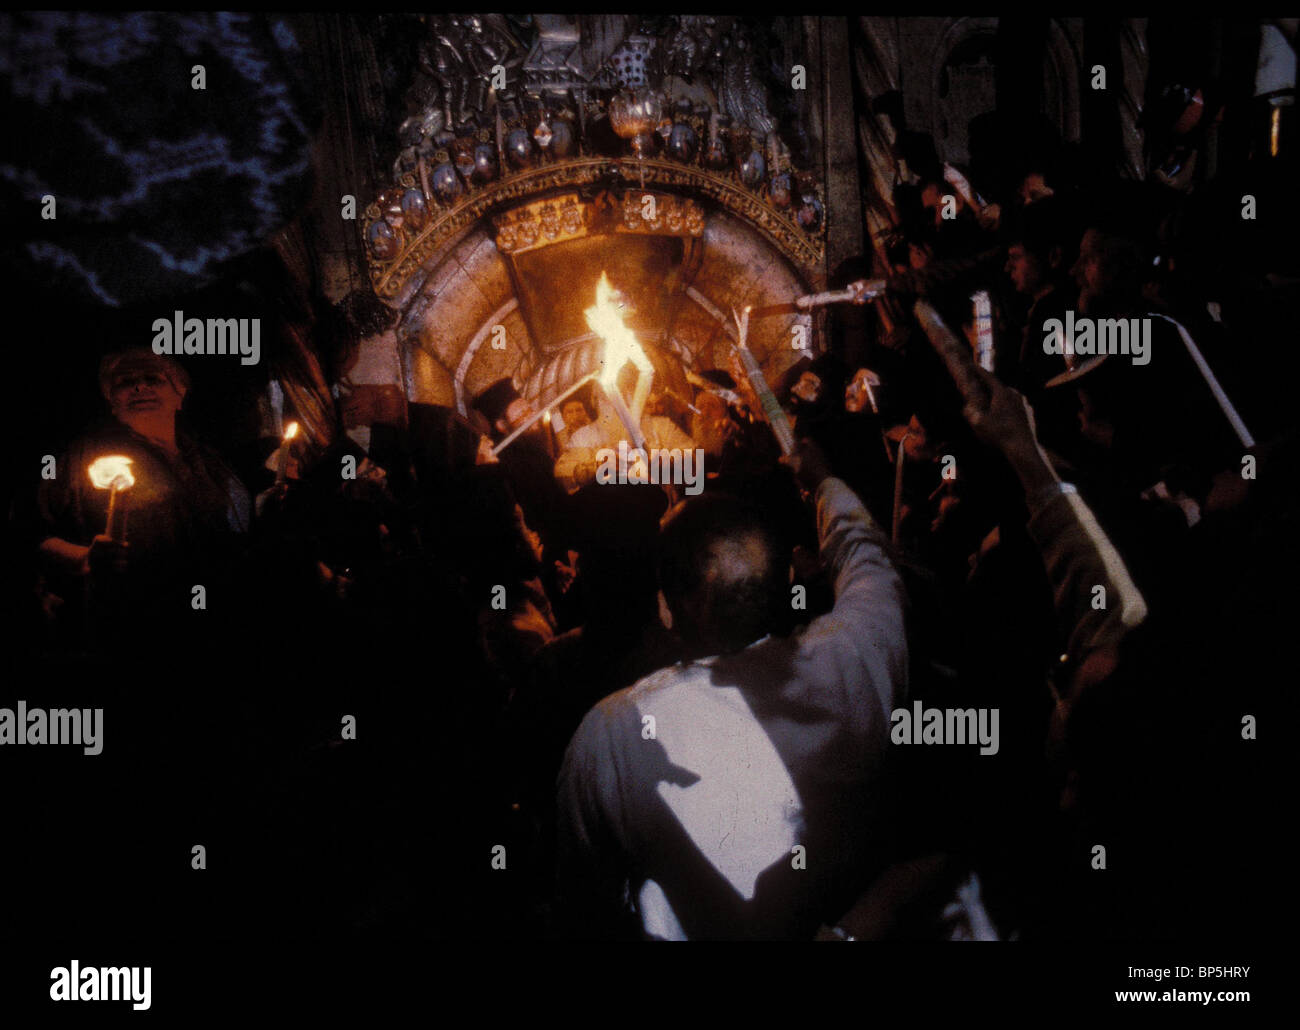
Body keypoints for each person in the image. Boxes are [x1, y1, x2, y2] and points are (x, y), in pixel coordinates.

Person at [555, 439, 908, 939]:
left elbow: (584, 900)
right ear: (787, 579)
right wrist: (823, 481)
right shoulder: (853, 656)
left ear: (665, 608)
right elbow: (869, 561)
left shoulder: (615, 734)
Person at [36, 348, 250, 639]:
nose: (139, 386)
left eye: (153, 378)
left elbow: (236, 527)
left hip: (212, 620)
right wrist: (85, 558)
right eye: (125, 382)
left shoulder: (208, 460)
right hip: (129, 625)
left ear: (180, 395)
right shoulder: (82, 456)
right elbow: (31, 532)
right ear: (112, 402)